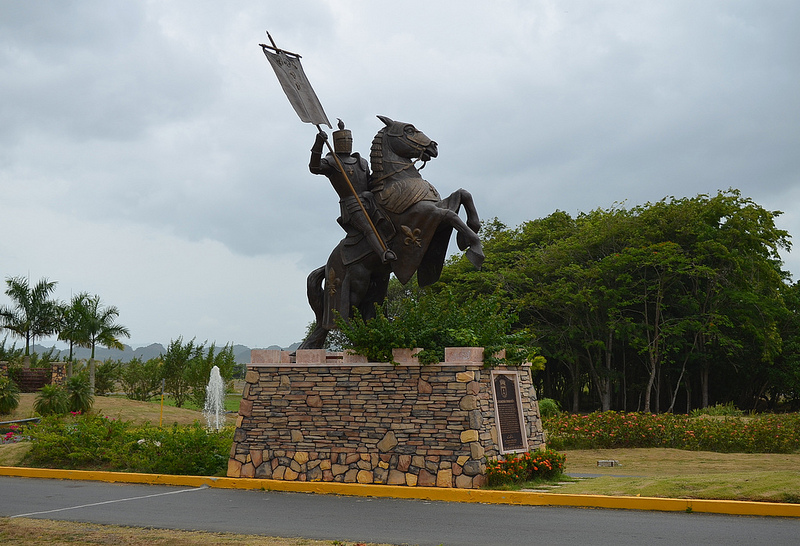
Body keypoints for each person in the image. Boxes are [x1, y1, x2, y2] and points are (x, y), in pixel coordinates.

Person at [309, 120, 396, 263]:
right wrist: (319, 143)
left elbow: (368, 182)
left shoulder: (361, 161)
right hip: (351, 204)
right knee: (368, 228)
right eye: (343, 139)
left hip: (369, 200)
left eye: (349, 139)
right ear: (336, 142)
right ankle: (384, 253)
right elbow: (314, 167)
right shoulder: (332, 162)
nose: (346, 142)